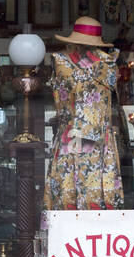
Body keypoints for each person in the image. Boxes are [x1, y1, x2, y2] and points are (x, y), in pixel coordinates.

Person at [43, 17, 125, 211]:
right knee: (97, 194)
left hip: (71, 138)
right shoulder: (109, 64)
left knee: (68, 193)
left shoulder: (61, 62)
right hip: (99, 143)